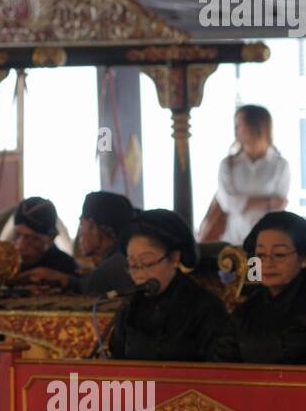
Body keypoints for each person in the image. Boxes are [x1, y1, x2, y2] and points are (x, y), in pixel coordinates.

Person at [109, 209, 239, 362]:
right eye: (133, 264)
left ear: (175, 258)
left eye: (146, 262)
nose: (139, 273)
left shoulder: (205, 307)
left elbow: (219, 369)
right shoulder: (130, 306)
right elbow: (117, 363)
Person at [20, 191, 135, 294]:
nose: (79, 232)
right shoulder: (119, 260)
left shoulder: (114, 266)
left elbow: (85, 288)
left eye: (81, 224)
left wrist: (63, 279)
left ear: (93, 227)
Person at [232, 212, 306, 364]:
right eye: (260, 255)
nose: (267, 263)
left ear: (303, 258)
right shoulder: (246, 309)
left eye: (279, 255)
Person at [215, 104, 290, 245]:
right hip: (234, 242)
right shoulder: (228, 164)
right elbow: (227, 203)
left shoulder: (280, 165)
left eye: (239, 124)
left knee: (259, 267)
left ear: (256, 126)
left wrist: (243, 202)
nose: (235, 130)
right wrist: (268, 202)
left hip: (267, 244)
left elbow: (279, 206)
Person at [12, 197, 78, 280]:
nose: (20, 246)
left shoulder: (66, 267)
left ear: (51, 238)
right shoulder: (5, 264)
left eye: (32, 239)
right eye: (17, 235)